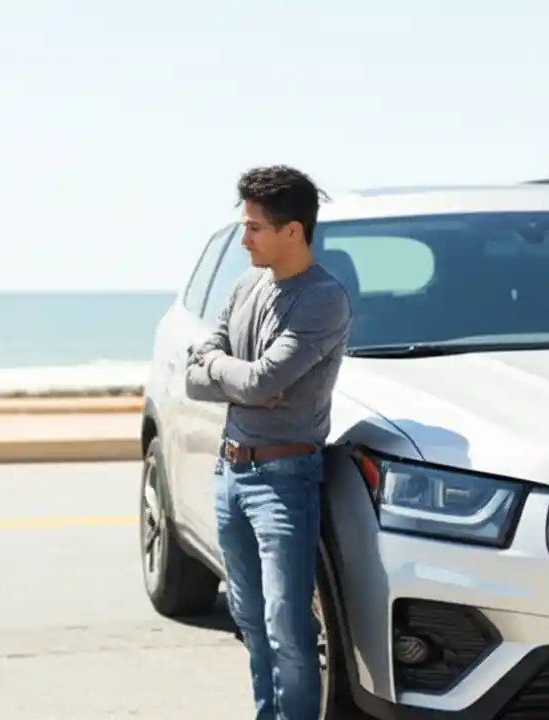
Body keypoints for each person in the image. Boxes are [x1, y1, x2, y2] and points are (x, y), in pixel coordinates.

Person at [184, 165, 351, 720]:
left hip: (284, 482)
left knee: (288, 628)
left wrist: (236, 377)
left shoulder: (323, 299)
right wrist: (238, 375)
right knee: (250, 621)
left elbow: (261, 383)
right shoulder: (244, 286)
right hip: (229, 473)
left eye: (255, 227)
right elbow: (199, 374)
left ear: (293, 232)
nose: (244, 236)